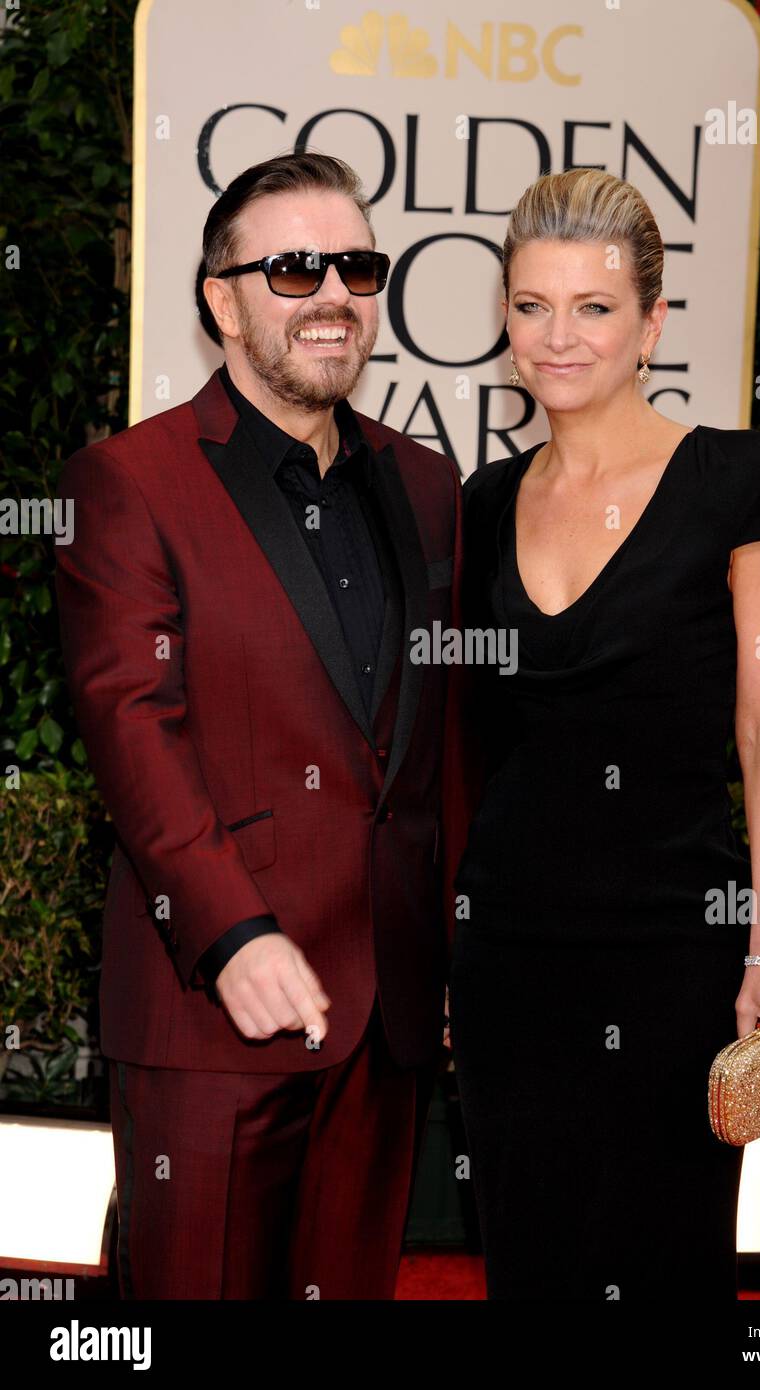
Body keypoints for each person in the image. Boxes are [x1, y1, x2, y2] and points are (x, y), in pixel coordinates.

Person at [55, 151, 466, 1300]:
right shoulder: (129, 481)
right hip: (210, 1008)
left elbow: (437, 754)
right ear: (221, 300)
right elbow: (133, 730)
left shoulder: (427, 484)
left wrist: (446, 956)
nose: (333, 293)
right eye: (292, 268)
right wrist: (233, 934)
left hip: (381, 1016)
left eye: (356, 266)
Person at [448, 168, 760, 1301]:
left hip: (675, 953)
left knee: (662, 1268)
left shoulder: (744, 479)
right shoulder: (480, 498)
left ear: (652, 322)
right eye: (532, 306)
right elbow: (473, 748)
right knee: (527, 1267)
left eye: (595, 307)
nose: (559, 337)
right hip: (510, 958)